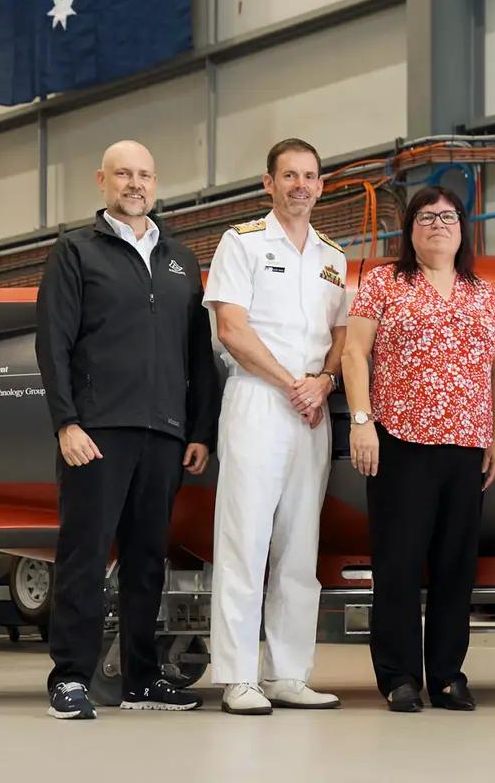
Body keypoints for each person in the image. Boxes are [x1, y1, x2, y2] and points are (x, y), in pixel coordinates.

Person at [37, 141, 220, 720]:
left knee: (147, 560)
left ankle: (142, 680)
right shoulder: (75, 252)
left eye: (144, 174)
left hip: (164, 433)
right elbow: (54, 343)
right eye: (123, 174)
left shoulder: (180, 259)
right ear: (102, 181)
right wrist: (67, 421)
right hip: (97, 431)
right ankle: (69, 678)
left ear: (156, 181)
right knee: (84, 556)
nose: (134, 184)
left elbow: (198, 352)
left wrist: (199, 430)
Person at [341, 186, 495, 712]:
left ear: (463, 229)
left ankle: (446, 675)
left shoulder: (481, 294)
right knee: (399, 562)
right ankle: (398, 676)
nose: (438, 224)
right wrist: (362, 422)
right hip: (399, 442)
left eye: (449, 216)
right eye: (426, 217)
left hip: (465, 445)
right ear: (410, 230)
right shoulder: (384, 283)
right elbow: (354, 352)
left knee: (456, 566)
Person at [204, 138, 349, 715]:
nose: (300, 186)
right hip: (260, 402)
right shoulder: (240, 244)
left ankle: (289, 671)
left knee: (299, 544)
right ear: (269, 183)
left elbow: (342, 339)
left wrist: (325, 382)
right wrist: (294, 382)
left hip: (312, 410)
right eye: (288, 175)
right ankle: (238, 675)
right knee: (245, 540)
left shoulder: (333, 257)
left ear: (320, 184)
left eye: (309, 176)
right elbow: (232, 329)